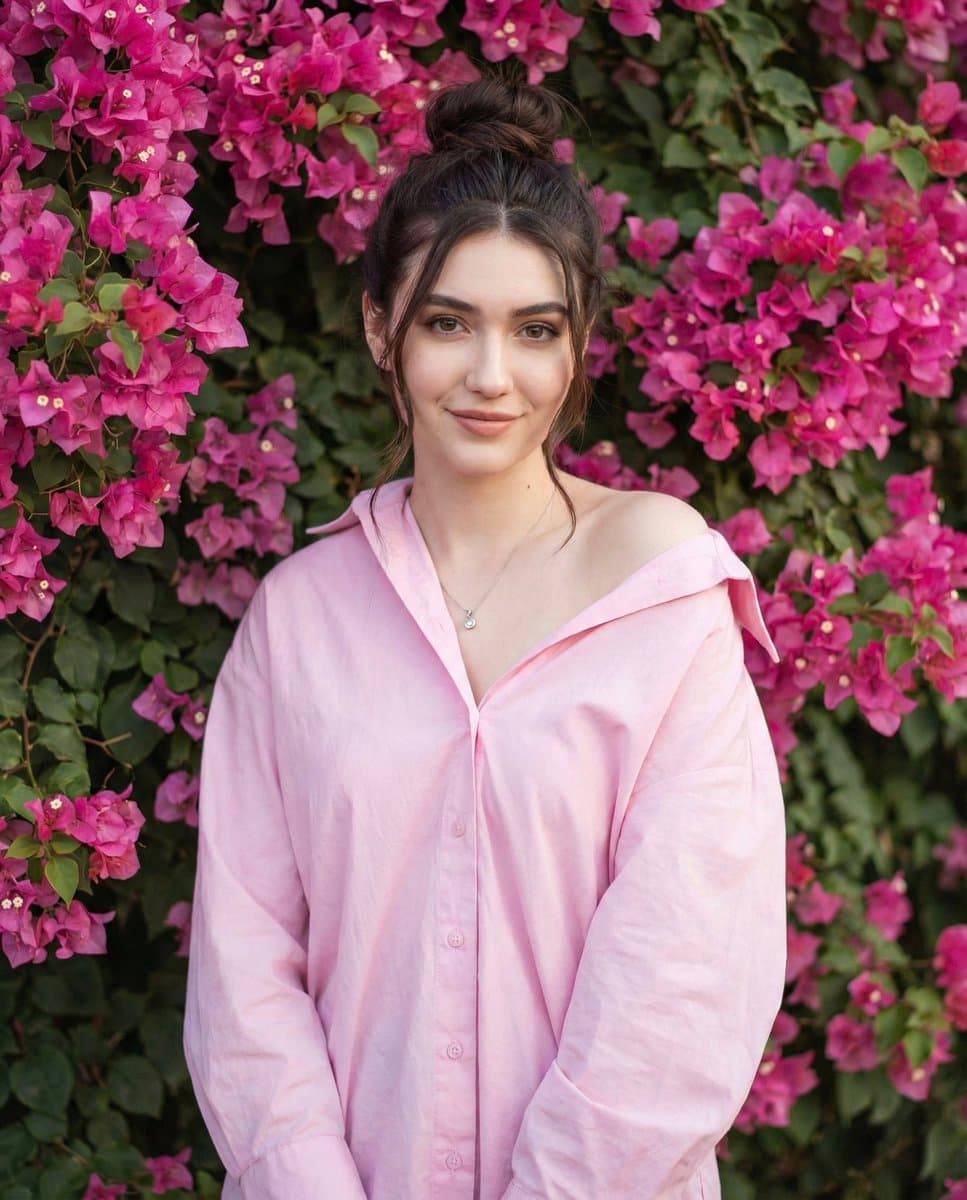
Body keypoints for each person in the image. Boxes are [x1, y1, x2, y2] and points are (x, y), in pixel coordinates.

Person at [183, 71, 788, 1200]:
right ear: (381, 328)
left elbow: (686, 973)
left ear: (578, 345)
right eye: (448, 322)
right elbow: (244, 972)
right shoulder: (299, 621)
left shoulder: (662, 590)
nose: (491, 377)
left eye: (534, 329)